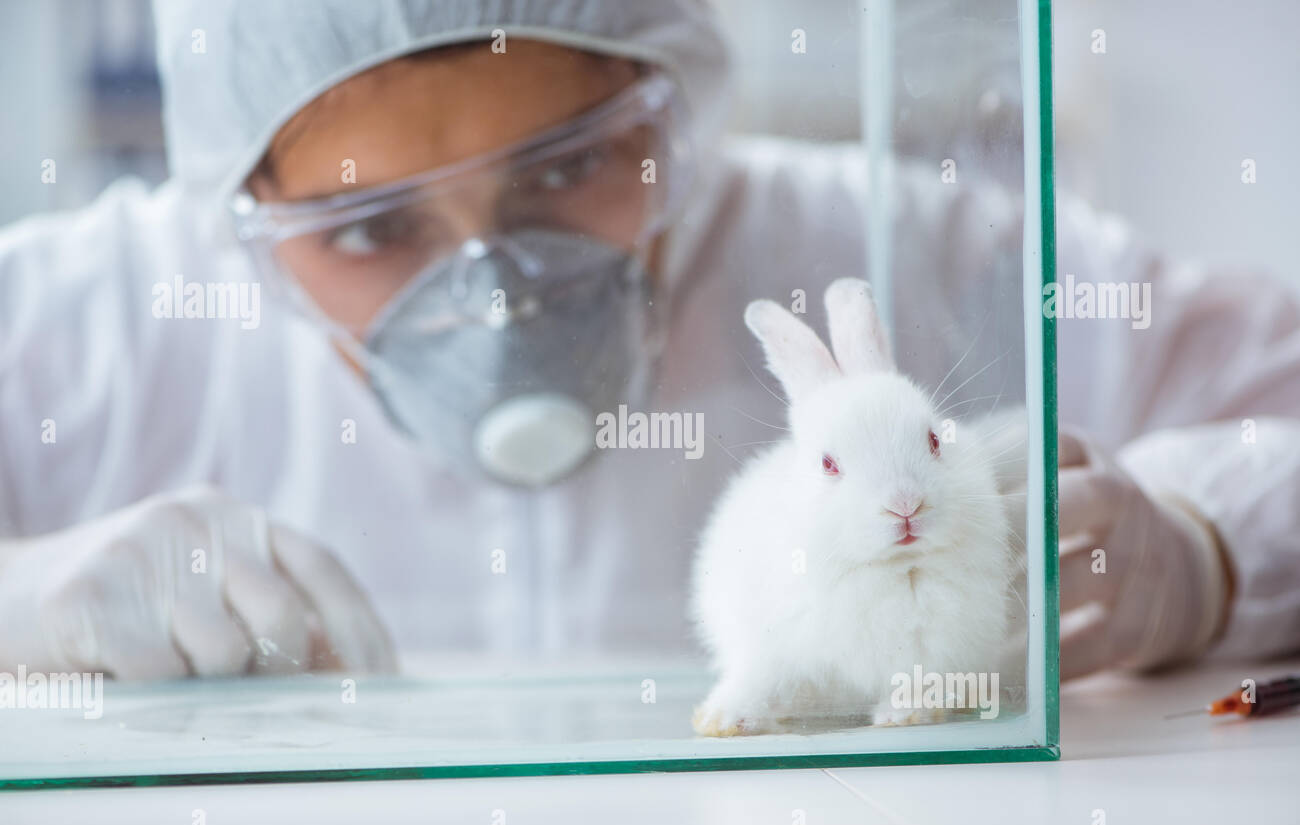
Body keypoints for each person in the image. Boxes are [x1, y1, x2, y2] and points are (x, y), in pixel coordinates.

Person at [0, 0, 1296, 683]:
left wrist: (1205, 550)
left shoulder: (916, 255)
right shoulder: (98, 321)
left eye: (564, 174)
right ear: (245, 213)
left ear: (669, 108)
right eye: (368, 230)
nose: (495, 299)